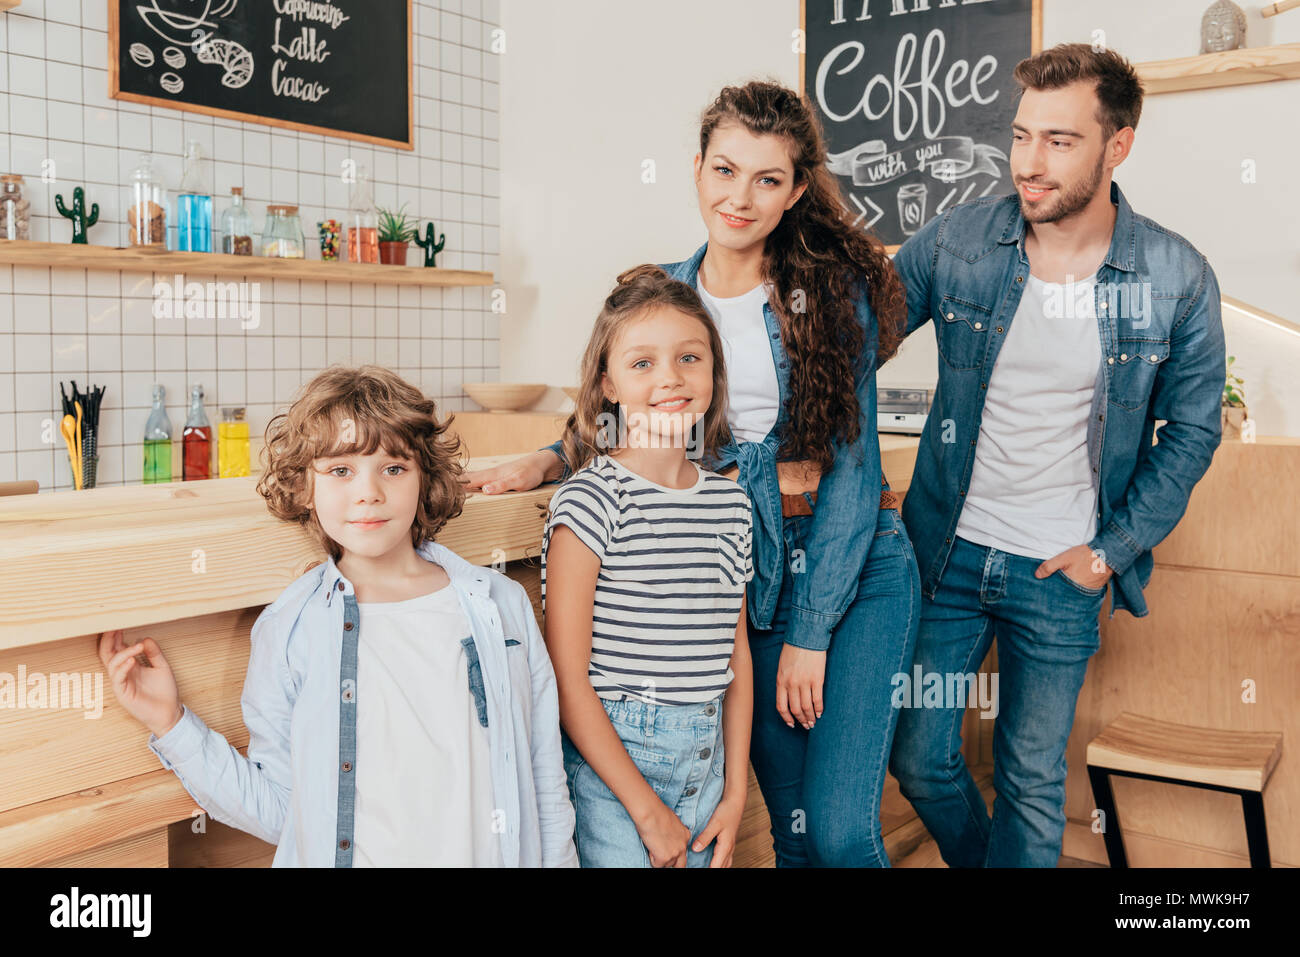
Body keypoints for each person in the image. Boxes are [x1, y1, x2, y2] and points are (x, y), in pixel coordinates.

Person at [467, 81, 920, 866]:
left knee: (844, 829)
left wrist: (813, 631)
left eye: (767, 179)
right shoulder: (670, 290)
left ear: (796, 191)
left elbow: (852, 465)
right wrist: (549, 457)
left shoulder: (829, 295)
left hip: (855, 560)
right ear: (698, 169)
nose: (739, 197)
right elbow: (635, 395)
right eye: (724, 170)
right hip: (753, 564)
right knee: (794, 828)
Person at [888, 43, 1226, 867]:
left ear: (1119, 146)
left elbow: (1191, 432)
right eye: (1020, 136)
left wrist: (1109, 553)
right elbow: (850, 340)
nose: (1028, 165)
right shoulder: (962, 240)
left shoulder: (1175, 275)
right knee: (920, 759)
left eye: (1060, 141)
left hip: (1062, 570)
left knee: (1032, 781)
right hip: (947, 552)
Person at [99, 365, 577, 867]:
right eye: (340, 470)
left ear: (425, 478)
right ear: (305, 487)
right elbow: (285, 811)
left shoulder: (499, 606)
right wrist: (172, 724)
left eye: (393, 468)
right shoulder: (290, 630)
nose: (368, 492)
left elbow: (545, 778)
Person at [541, 264, 754, 867]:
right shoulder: (589, 500)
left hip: (707, 767)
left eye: (691, 357)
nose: (671, 378)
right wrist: (647, 811)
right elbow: (568, 680)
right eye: (642, 363)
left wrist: (735, 793)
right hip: (616, 775)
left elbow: (734, 655)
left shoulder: (731, 503)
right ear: (607, 383)